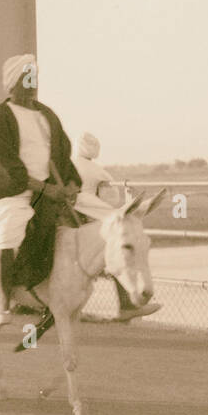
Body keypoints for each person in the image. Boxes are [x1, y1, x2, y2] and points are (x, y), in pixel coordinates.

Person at [0, 53, 81, 331]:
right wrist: (45, 188)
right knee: (9, 227)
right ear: (13, 83)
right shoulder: (0, 116)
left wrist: (71, 184)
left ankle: (126, 301)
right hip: (14, 192)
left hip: (53, 190)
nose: (33, 82)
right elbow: (6, 166)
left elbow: (64, 156)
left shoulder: (47, 115)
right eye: (27, 77)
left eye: (35, 77)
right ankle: (3, 305)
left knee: (110, 223)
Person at [72, 132, 161, 321]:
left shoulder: (70, 165)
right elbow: (111, 199)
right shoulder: (98, 171)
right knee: (117, 252)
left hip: (72, 216)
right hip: (89, 218)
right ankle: (127, 306)